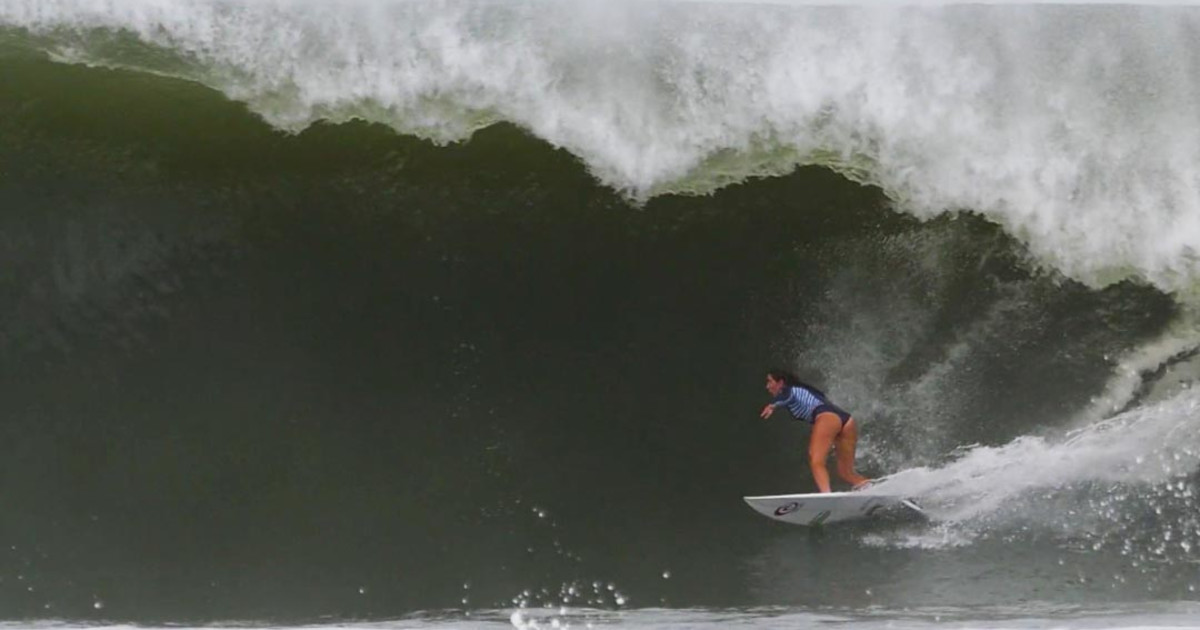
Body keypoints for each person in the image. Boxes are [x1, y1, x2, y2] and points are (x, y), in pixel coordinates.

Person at [760, 369, 871, 493]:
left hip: (826, 417)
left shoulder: (790, 390)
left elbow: (787, 396)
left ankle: (826, 495)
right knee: (845, 472)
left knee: (816, 460)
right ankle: (869, 488)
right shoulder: (805, 391)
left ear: (780, 383)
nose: (767, 386)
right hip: (847, 421)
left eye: (770, 381)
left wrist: (773, 405)